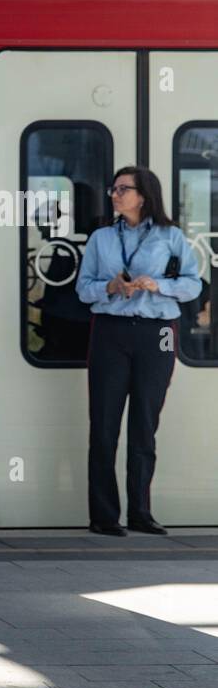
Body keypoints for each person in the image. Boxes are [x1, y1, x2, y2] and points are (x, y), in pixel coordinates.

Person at [74, 166, 200, 536]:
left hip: (156, 334)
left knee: (145, 426)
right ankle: (103, 516)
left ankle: (141, 513)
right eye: (113, 188)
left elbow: (193, 284)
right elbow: (83, 289)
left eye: (123, 188)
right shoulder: (101, 238)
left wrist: (157, 285)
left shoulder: (170, 236)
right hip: (109, 332)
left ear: (143, 195)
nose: (115, 194)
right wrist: (111, 287)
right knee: (103, 426)